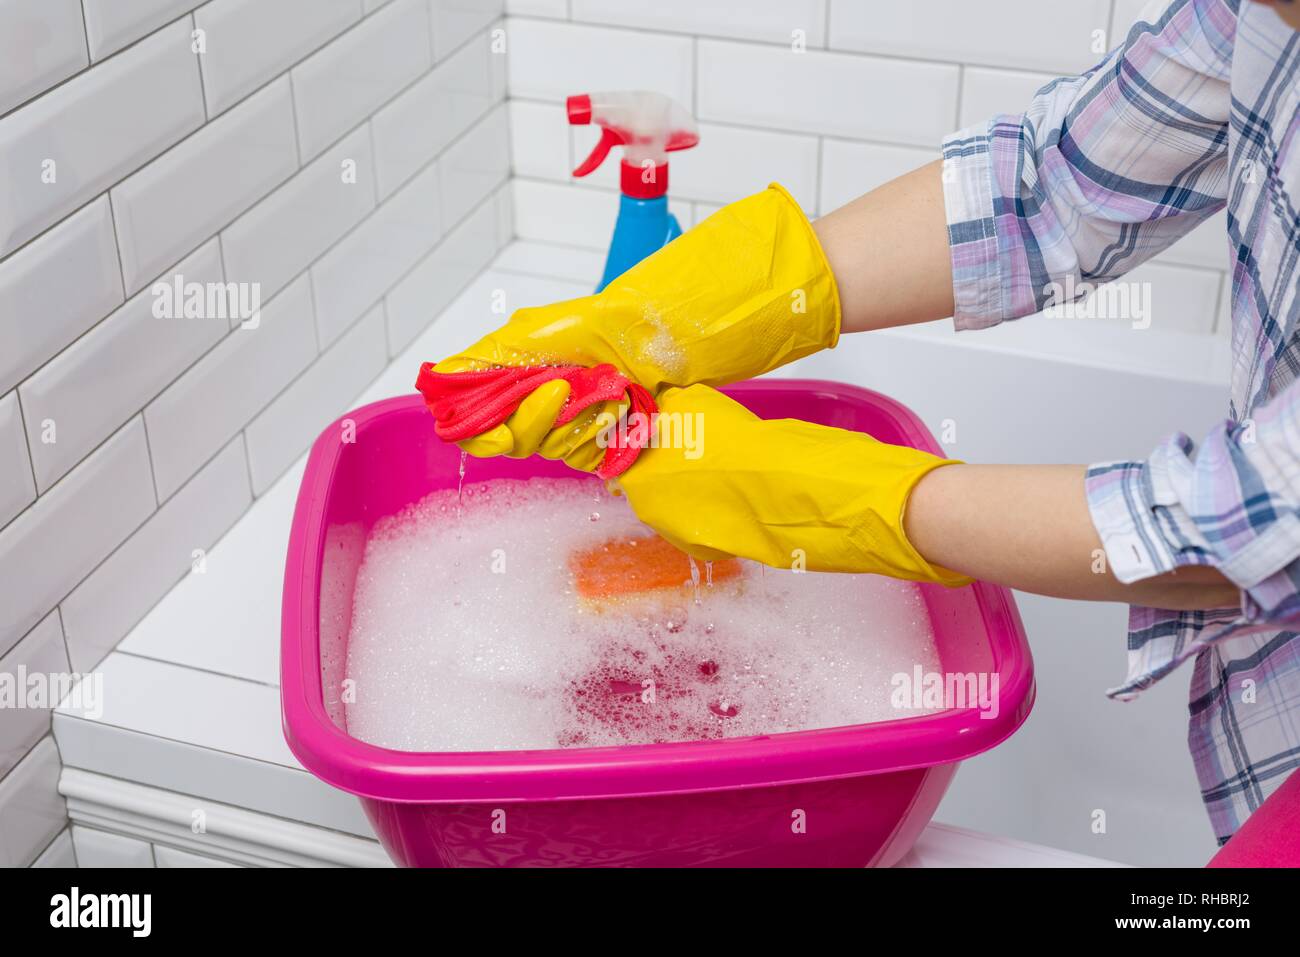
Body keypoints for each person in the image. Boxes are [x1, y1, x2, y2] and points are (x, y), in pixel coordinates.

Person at [432, 0, 1300, 844]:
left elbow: (1240, 528)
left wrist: (835, 499)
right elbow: (1047, 189)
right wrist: (675, 315)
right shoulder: (1258, 14)